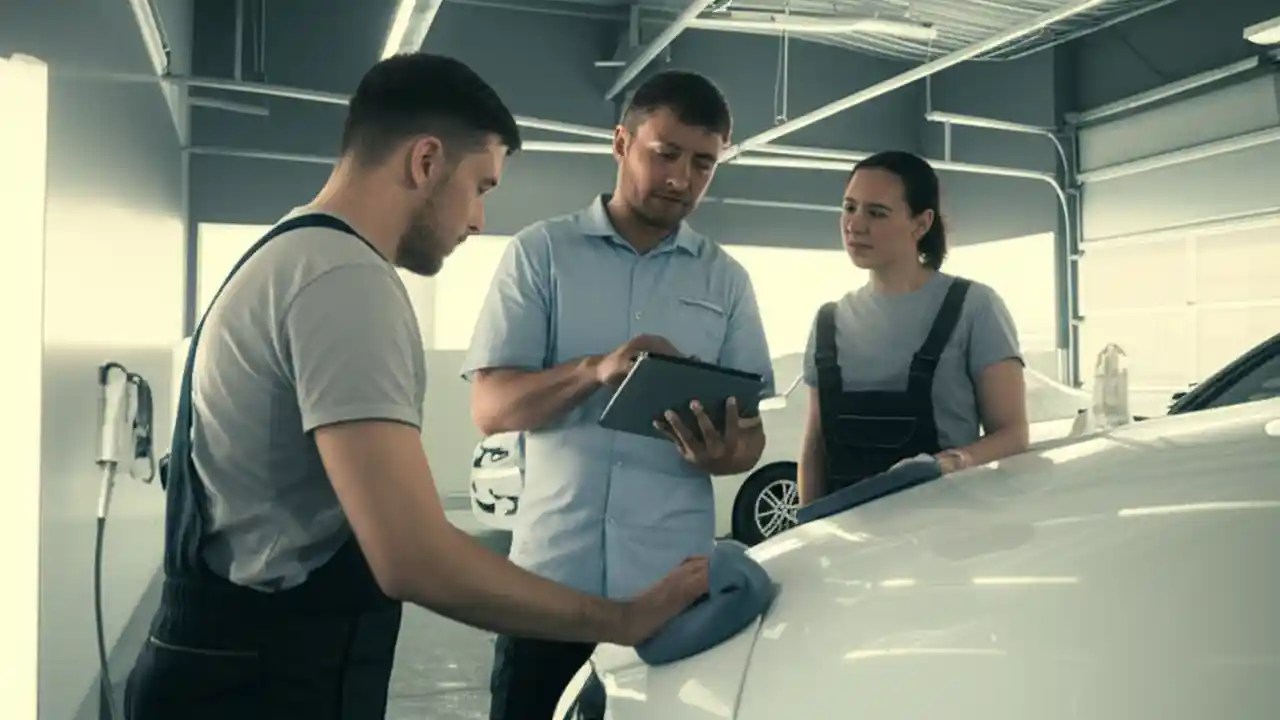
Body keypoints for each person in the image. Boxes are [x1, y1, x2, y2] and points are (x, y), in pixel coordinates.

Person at [122, 53, 709, 720]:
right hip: (258, 687)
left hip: (228, 664)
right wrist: (621, 618)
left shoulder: (291, 252)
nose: (479, 220)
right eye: (481, 187)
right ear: (426, 162)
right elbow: (414, 557)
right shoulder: (345, 281)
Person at [463, 69, 775, 719]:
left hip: (674, 597)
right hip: (547, 591)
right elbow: (491, 410)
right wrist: (594, 371)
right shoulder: (540, 254)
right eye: (665, 154)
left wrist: (723, 451)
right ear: (621, 142)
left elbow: (750, 437)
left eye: (703, 164)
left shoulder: (727, 281)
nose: (682, 179)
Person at [797, 150, 1030, 505]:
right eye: (849, 207)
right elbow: (815, 445)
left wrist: (956, 461)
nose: (855, 224)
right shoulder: (829, 321)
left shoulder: (974, 307)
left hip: (943, 536)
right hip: (847, 541)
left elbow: (1013, 434)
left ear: (921, 224)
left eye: (876, 213)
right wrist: (806, 528)